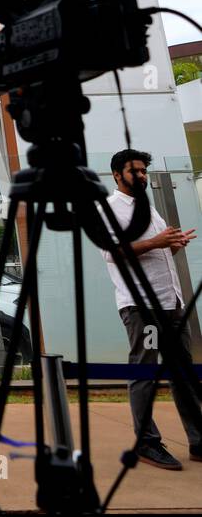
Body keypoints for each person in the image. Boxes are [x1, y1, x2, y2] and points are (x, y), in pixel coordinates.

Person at [101, 148, 202, 470]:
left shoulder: (149, 209)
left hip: (171, 304)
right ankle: (147, 443)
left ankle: (199, 441)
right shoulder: (110, 208)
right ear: (117, 174)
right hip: (142, 308)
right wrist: (157, 243)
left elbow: (151, 255)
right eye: (135, 171)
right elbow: (114, 252)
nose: (142, 176)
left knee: (183, 375)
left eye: (144, 171)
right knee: (144, 373)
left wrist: (169, 246)